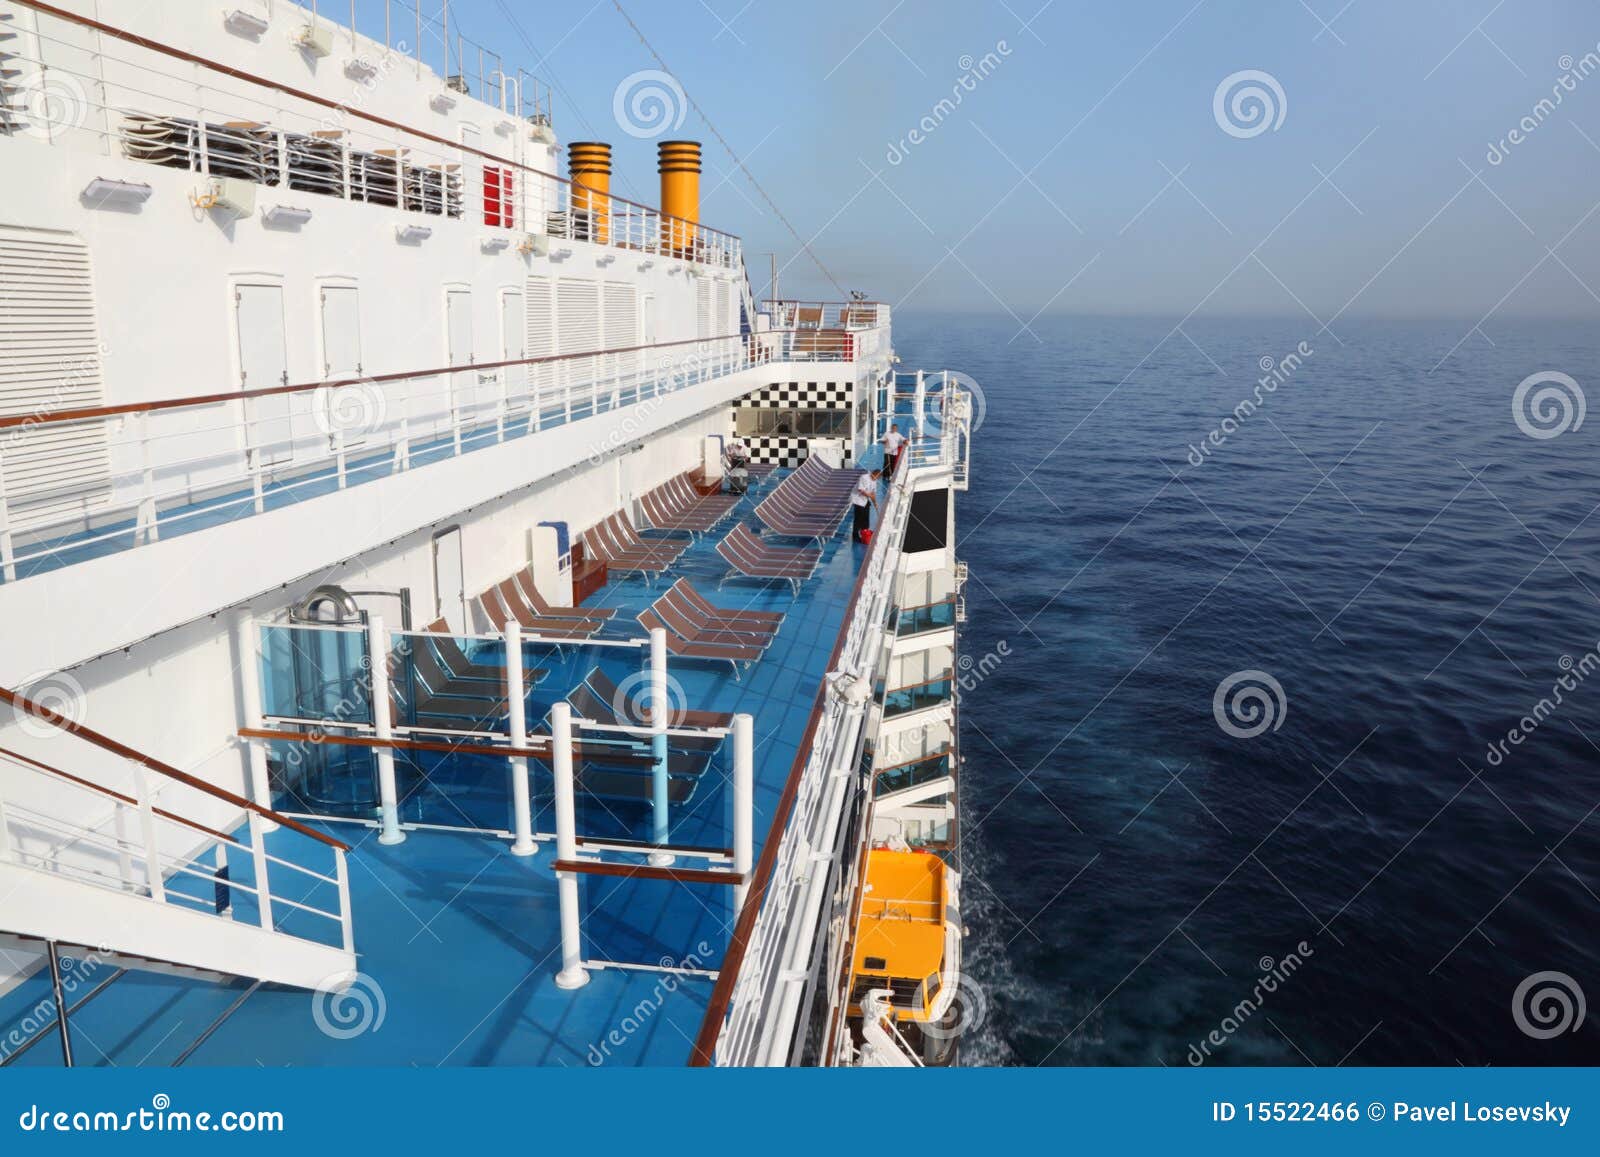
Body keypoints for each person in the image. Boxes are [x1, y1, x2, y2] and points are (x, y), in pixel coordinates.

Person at [851, 467, 880, 542]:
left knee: (866, 518)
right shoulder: (864, 477)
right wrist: (870, 496)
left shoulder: (874, 481)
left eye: (877, 478)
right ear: (873, 474)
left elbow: (873, 494)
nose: (876, 479)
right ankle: (855, 536)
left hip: (865, 500)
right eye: (876, 477)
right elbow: (860, 489)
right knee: (858, 519)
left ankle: (864, 532)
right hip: (858, 499)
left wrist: (875, 503)